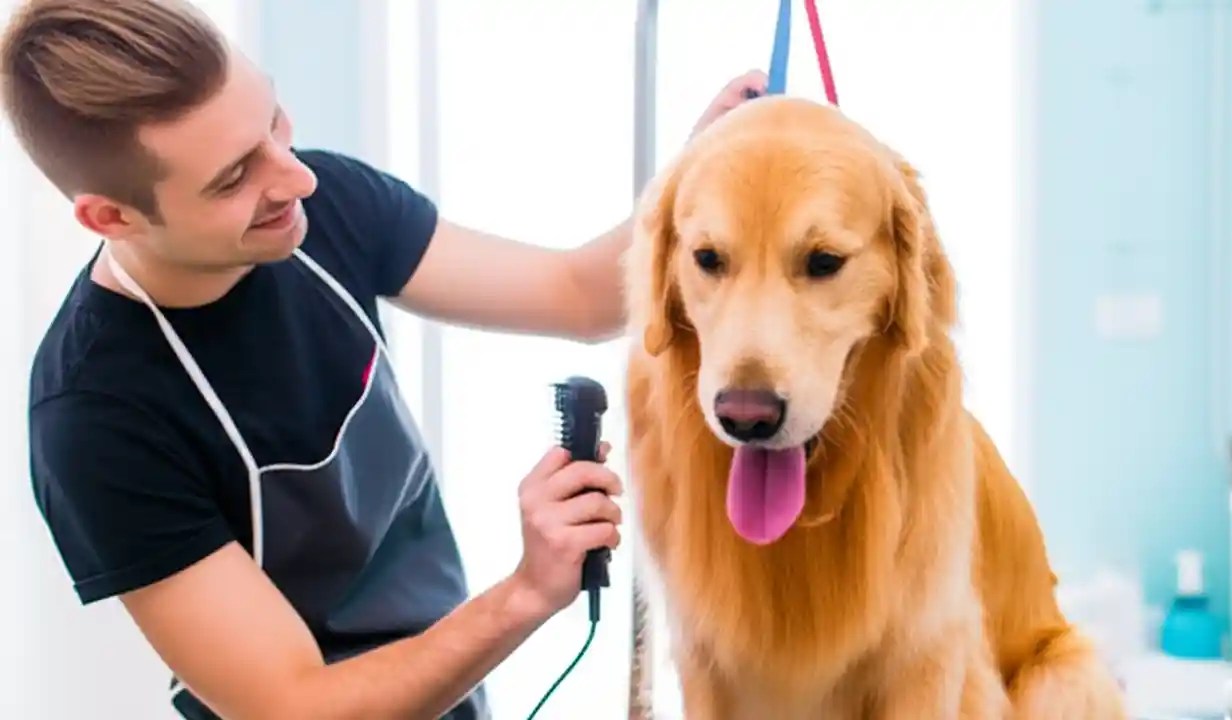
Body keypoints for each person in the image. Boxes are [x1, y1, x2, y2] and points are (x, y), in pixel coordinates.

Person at [1, 1, 766, 718]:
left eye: (273, 122)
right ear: (112, 217)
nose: (293, 177)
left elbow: (576, 295)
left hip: (451, 682)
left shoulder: (324, 206)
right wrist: (527, 593)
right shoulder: (97, 417)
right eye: (234, 178)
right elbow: (296, 707)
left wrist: (699, 176)